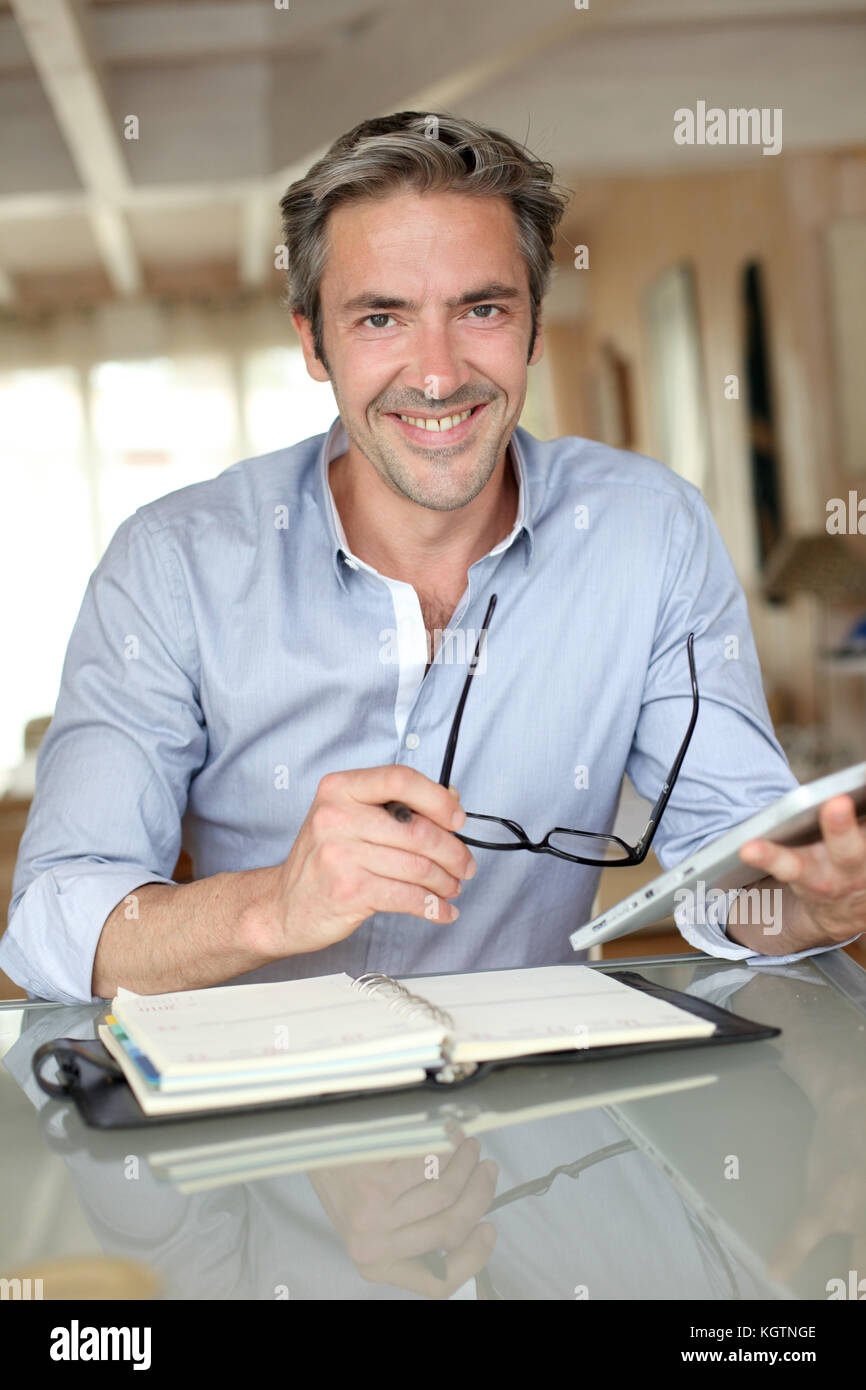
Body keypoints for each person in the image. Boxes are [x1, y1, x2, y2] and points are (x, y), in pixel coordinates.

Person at [2, 112, 863, 1005]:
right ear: (312, 343)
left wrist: (806, 906)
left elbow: (740, 858)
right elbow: (54, 918)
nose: (440, 374)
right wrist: (272, 907)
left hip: (550, 1122)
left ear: (533, 325)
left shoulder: (651, 532)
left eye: (482, 309)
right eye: (382, 318)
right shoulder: (171, 564)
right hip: (262, 1118)